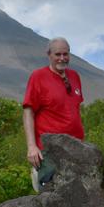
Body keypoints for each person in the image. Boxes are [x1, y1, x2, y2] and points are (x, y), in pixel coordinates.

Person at [23, 37, 84, 190]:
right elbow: (28, 112)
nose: (62, 58)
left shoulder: (75, 76)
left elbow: (74, 110)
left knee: (77, 195)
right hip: (49, 150)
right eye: (57, 54)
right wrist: (31, 146)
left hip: (76, 148)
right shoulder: (38, 77)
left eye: (65, 54)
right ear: (49, 55)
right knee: (52, 195)